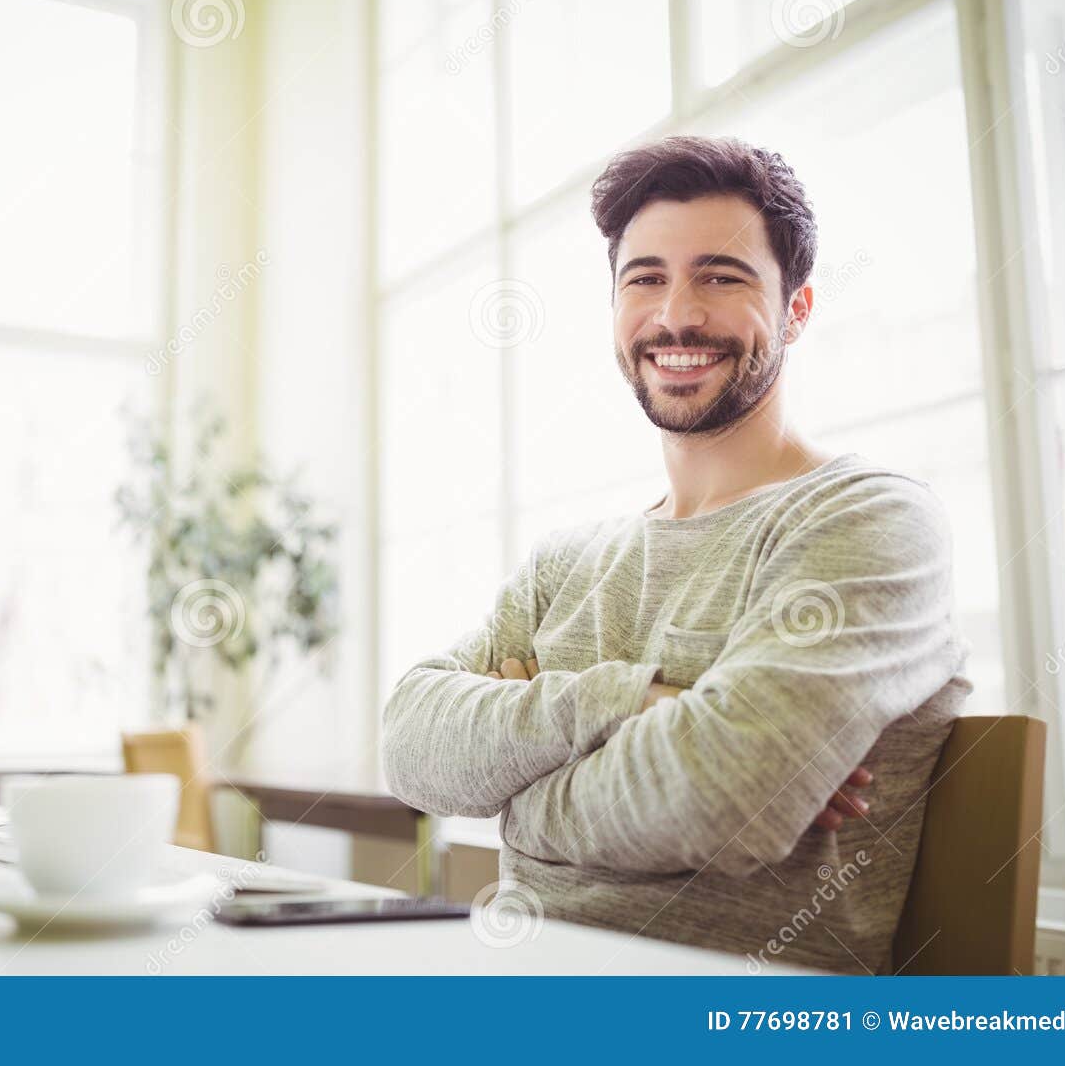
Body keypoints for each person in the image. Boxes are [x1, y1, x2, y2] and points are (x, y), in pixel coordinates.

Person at [381, 135, 972, 975]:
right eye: (645, 279)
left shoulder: (868, 518)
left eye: (721, 277)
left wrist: (511, 790)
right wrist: (629, 702)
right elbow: (409, 745)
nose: (675, 316)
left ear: (797, 309)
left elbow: (726, 798)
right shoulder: (565, 563)